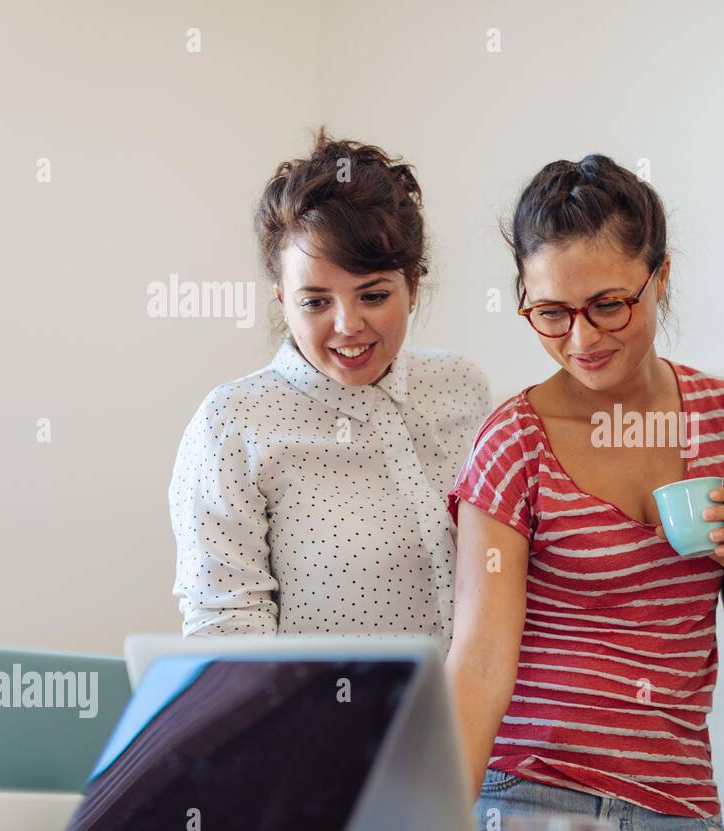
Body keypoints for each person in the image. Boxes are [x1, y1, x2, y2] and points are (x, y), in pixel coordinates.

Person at [446, 155, 724, 831]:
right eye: (550, 313)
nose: (582, 339)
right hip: (536, 803)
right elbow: (478, 663)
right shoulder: (514, 443)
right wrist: (433, 829)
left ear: (660, 277)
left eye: (608, 305)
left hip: (682, 814)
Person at [169, 130, 489, 640]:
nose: (347, 325)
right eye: (316, 302)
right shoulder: (233, 423)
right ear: (282, 300)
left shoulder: (463, 387)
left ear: (411, 285)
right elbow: (225, 630)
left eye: (373, 295)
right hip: (319, 719)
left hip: (483, 718)